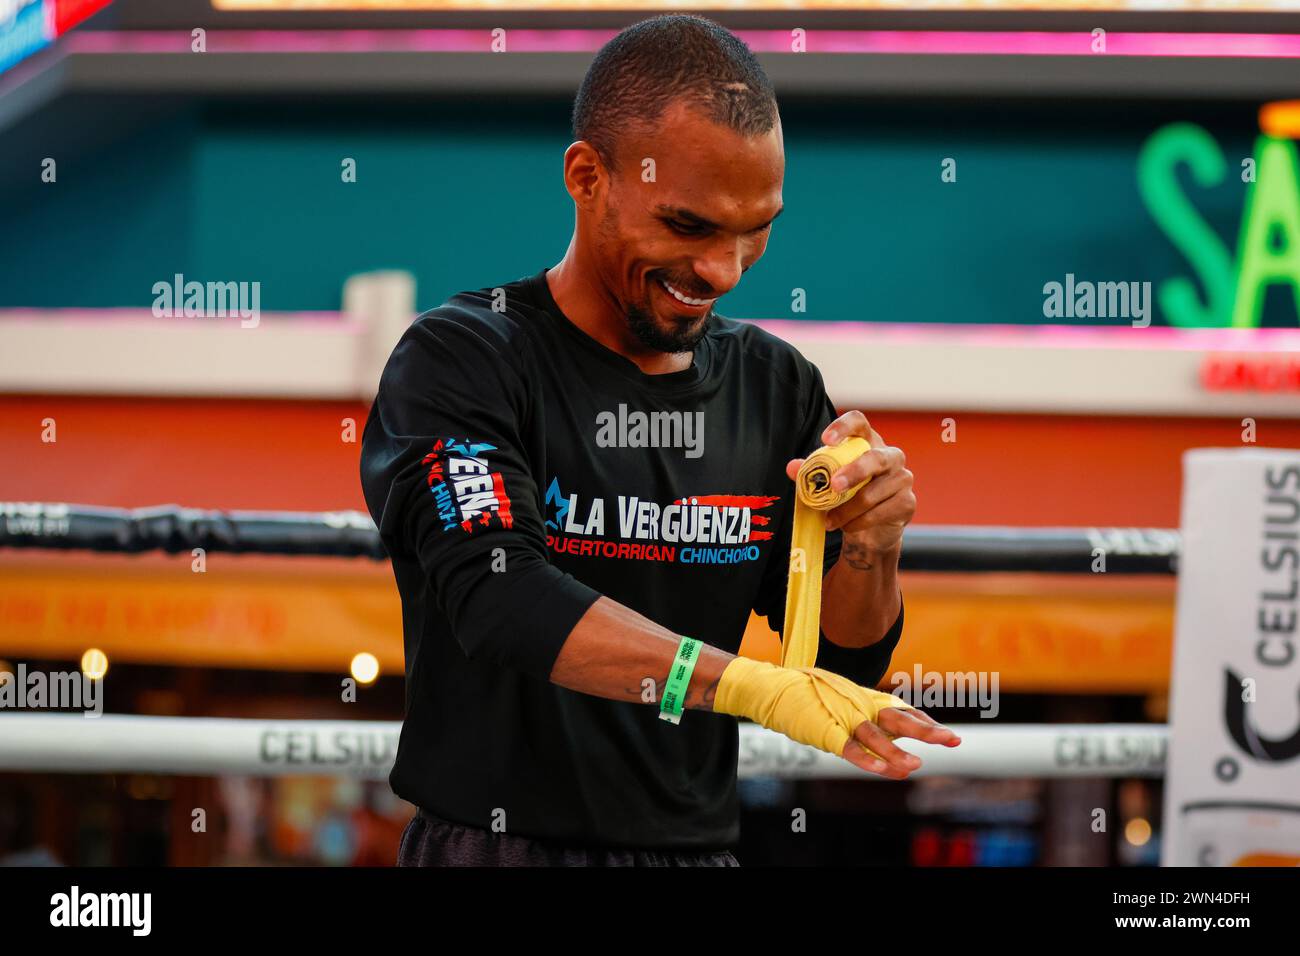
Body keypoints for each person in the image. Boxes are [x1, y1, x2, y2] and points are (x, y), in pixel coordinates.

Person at [360, 13, 960, 868]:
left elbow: (838, 665)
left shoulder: (777, 385)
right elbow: (502, 598)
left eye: (756, 229)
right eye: (688, 226)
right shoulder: (464, 358)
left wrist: (872, 544)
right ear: (588, 176)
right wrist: (744, 686)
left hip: (695, 851)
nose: (723, 268)